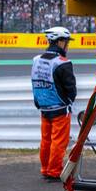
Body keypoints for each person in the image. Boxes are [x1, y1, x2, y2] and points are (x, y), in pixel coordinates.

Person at [31, 26, 77, 182]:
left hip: (43, 107)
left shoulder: (37, 60)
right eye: (66, 42)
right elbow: (71, 89)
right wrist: (69, 101)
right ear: (60, 42)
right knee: (58, 142)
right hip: (60, 108)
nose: (68, 46)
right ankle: (54, 171)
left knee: (46, 140)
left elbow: (34, 82)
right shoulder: (63, 62)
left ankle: (45, 169)